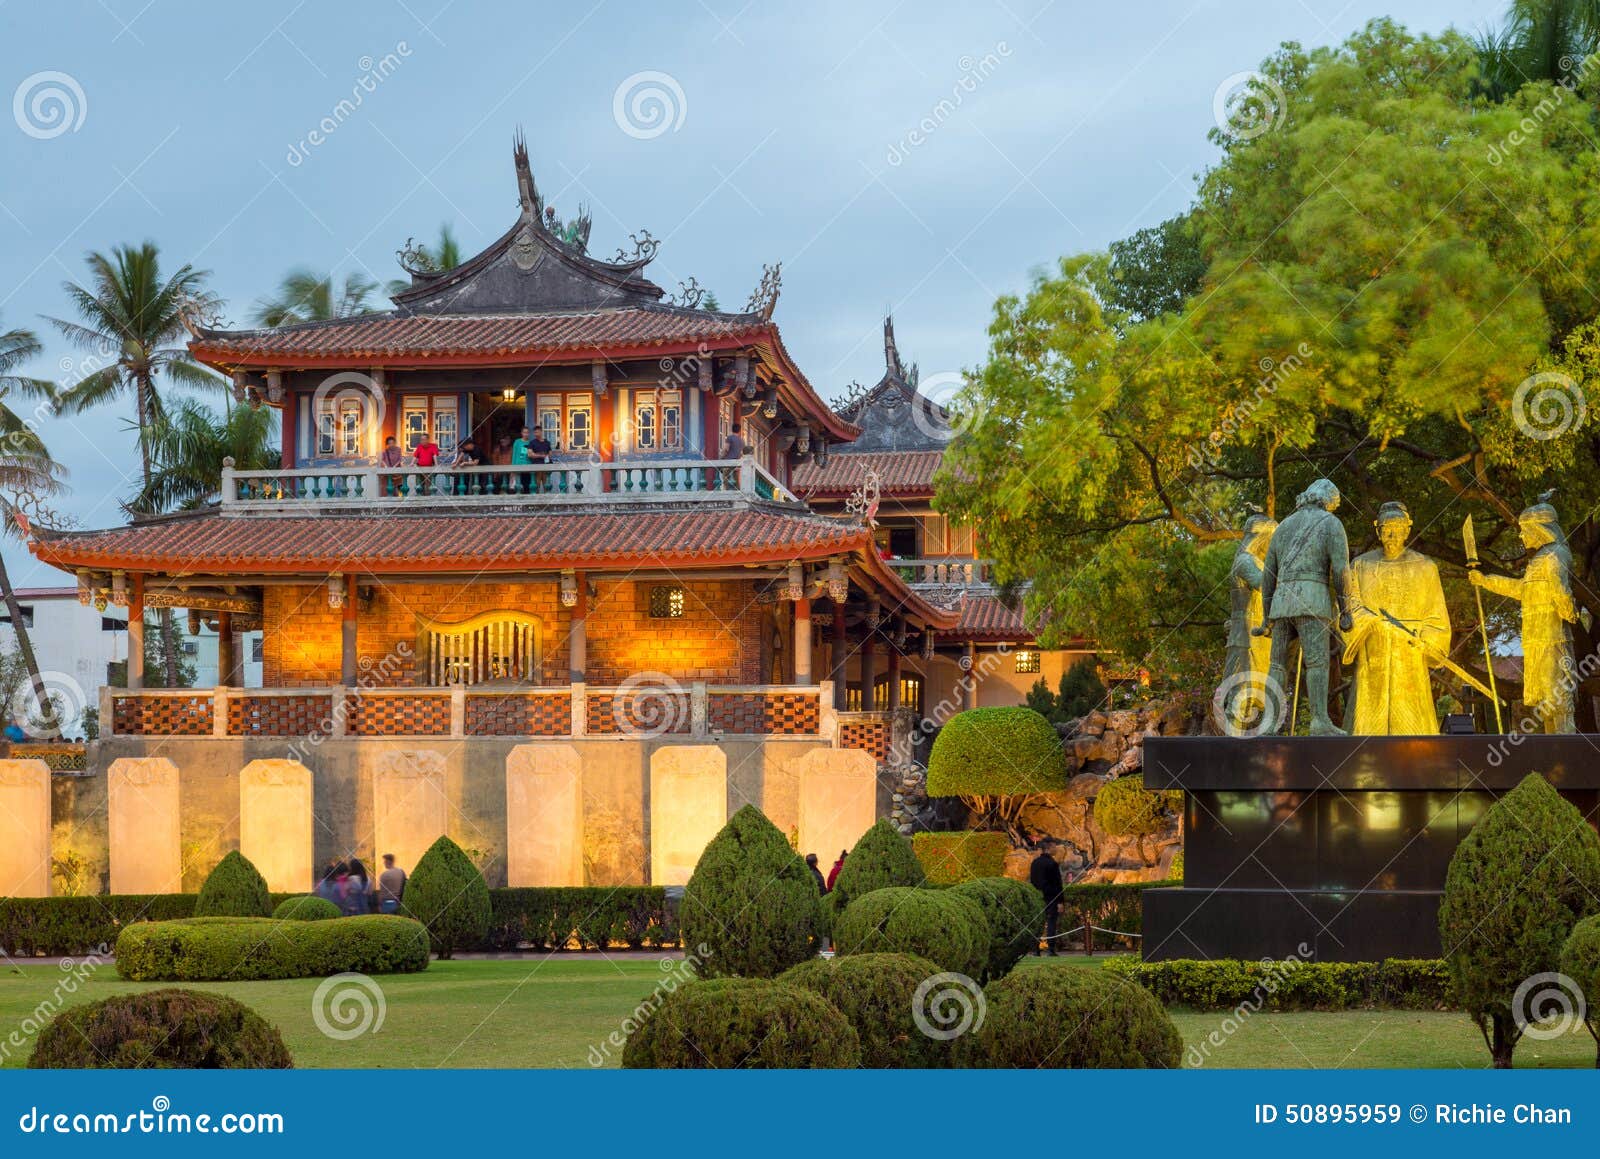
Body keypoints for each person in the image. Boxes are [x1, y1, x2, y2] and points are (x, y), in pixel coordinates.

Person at [1470, 495, 1579, 733]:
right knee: (1546, 703)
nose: (1521, 536)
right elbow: (1523, 590)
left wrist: (1570, 613)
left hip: (1552, 639)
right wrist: (1486, 581)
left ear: (1539, 529)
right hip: (1537, 639)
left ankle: (1567, 755)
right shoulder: (1540, 559)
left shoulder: (1553, 556)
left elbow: (1562, 592)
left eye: (1525, 530)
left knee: (1558, 701)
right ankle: (1555, 758)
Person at [1342, 501, 1451, 735]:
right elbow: (1348, 604)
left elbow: (1436, 613)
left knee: (1412, 723)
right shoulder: (1361, 565)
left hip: (1410, 651)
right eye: (1386, 529)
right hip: (1373, 646)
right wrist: (1369, 622)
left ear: (1408, 530)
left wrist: (1428, 641)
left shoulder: (1425, 567)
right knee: (1368, 720)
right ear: (1378, 530)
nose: (1392, 535)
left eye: (1398, 529)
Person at [1256, 478, 1354, 736]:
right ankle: (1319, 720)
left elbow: (1268, 576)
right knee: (1317, 663)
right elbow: (1342, 570)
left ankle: (1269, 723)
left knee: (1277, 666)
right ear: (1328, 501)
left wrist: (1267, 617)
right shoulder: (1331, 524)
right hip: (1313, 601)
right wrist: (1346, 609)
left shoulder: (1284, 526)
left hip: (1281, 604)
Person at [1029, 842, 1064, 955]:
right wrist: (1060, 901)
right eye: (1054, 847)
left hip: (1037, 896)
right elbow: (1057, 884)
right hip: (1051, 897)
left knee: (1038, 923)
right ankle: (1051, 949)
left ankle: (1036, 949)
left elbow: (1033, 881)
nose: (1056, 849)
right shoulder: (1052, 863)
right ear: (1048, 849)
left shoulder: (1035, 863)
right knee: (1051, 923)